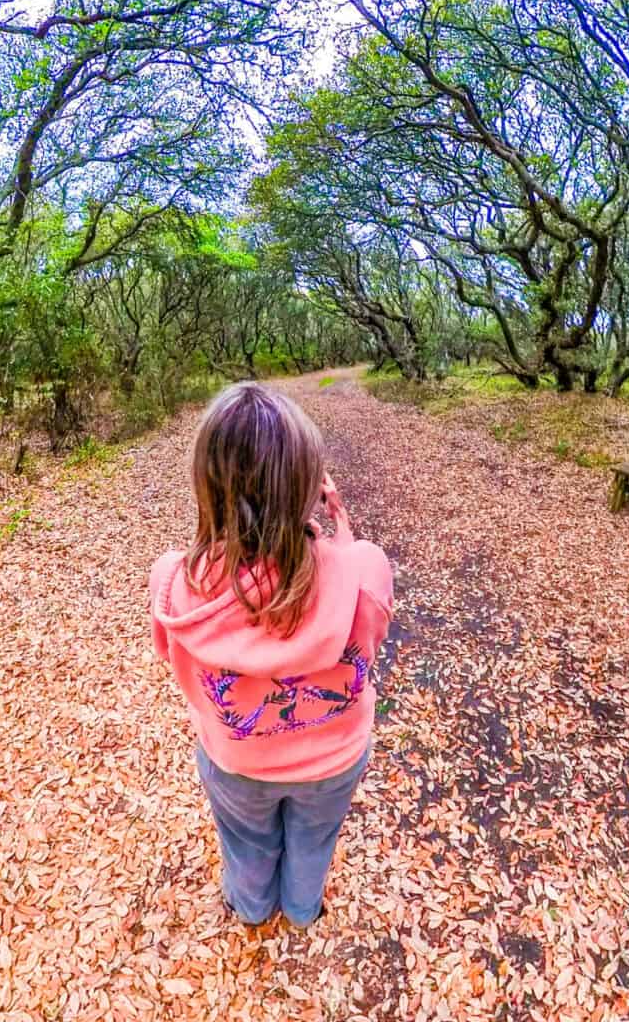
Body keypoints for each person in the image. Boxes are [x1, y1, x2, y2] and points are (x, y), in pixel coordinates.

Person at [149, 382, 393, 928]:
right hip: (333, 758)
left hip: (236, 759)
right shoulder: (365, 570)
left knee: (245, 840)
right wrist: (339, 520)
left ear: (205, 486)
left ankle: (253, 909)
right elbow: (366, 624)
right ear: (308, 482)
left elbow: (171, 655)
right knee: (315, 839)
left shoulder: (173, 583)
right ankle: (304, 909)